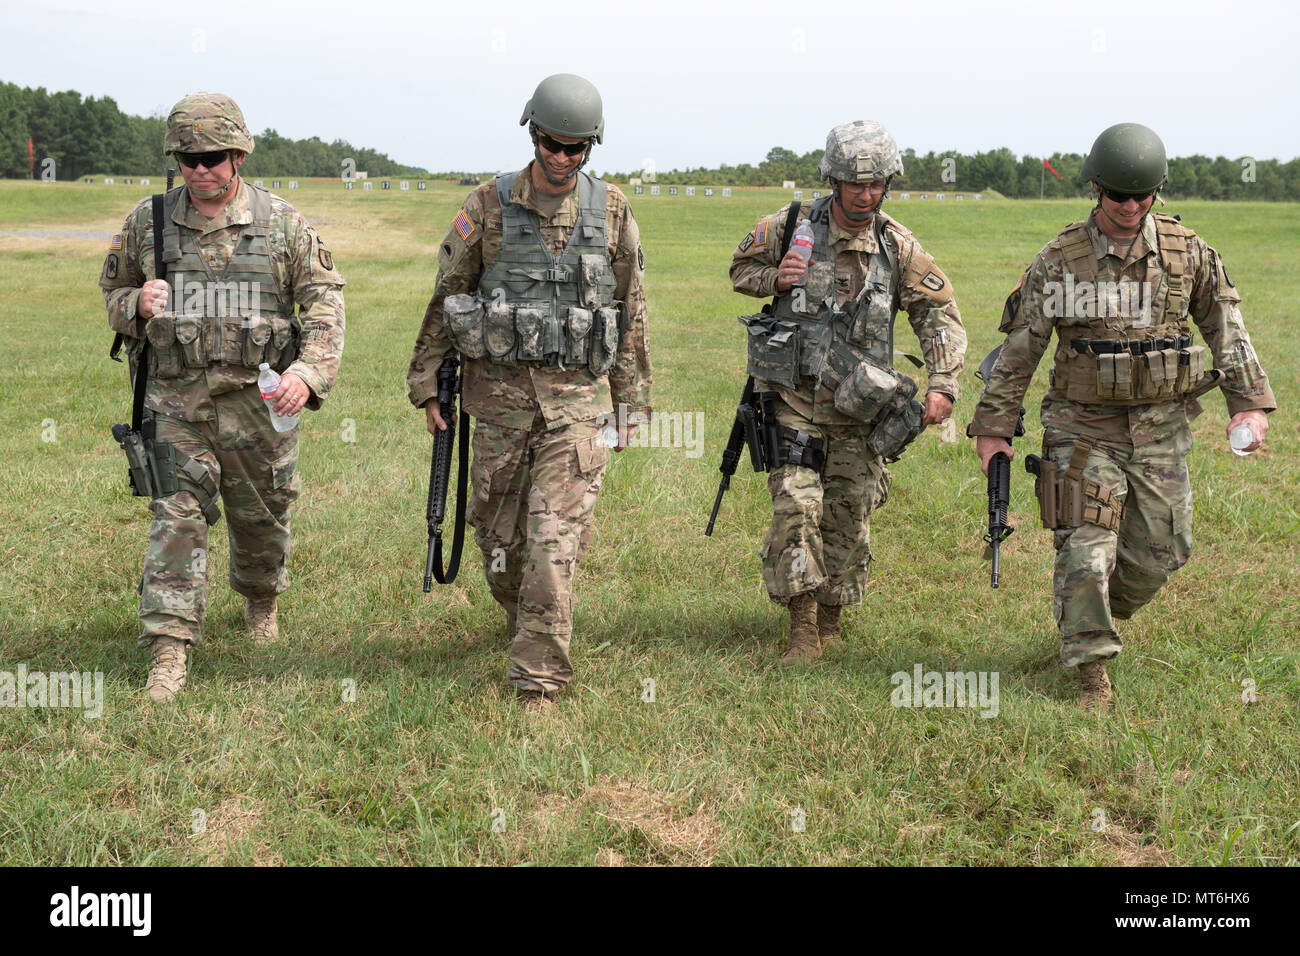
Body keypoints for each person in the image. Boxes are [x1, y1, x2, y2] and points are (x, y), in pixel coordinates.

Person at [967, 122, 1275, 707]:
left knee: (1162, 553)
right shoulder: (1061, 261)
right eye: (1117, 195)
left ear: (1156, 191)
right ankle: (1090, 675)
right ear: (1095, 190)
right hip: (1083, 428)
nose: (1130, 207)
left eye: (1142, 195)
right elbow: (1019, 352)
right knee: (1086, 547)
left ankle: (1091, 609)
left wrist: (1250, 403)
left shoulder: (1188, 254)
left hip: (1161, 429)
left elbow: (1226, 330)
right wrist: (994, 429)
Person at [407, 74, 652, 712]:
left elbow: (632, 313)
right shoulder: (486, 207)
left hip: (578, 408)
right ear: (532, 132)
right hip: (497, 406)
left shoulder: (615, 211)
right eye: (552, 143)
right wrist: (428, 381)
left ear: (591, 147)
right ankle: (522, 612)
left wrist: (632, 402)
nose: (562, 158)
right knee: (499, 539)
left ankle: (538, 680)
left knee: (553, 539)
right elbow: (446, 297)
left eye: (577, 148)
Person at [100, 92, 346, 702]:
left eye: (212, 157)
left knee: (261, 522)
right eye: (188, 159)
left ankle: (261, 601)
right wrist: (135, 306)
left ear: (237, 155)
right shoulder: (148, 222)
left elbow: (324, 304)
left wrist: (309, 375)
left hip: (259, 409)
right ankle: (169, 647)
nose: (200, 170)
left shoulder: (282, 224)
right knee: (176, 515)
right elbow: (113, 291)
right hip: (175, 406)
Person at [729, 120, 966, 665]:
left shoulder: (896, 246)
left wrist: (943, 383)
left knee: (848, 519)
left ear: (888, 184)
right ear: (832, 180)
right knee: (795, 505)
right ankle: (803, 627)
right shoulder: (788, 227)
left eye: (875, 184)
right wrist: (776, 280)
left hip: (859, 411)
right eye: (854, 184)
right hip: (792, 400)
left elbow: (939, 317)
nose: (864, 195)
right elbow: (740, 269)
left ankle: (832, 614)